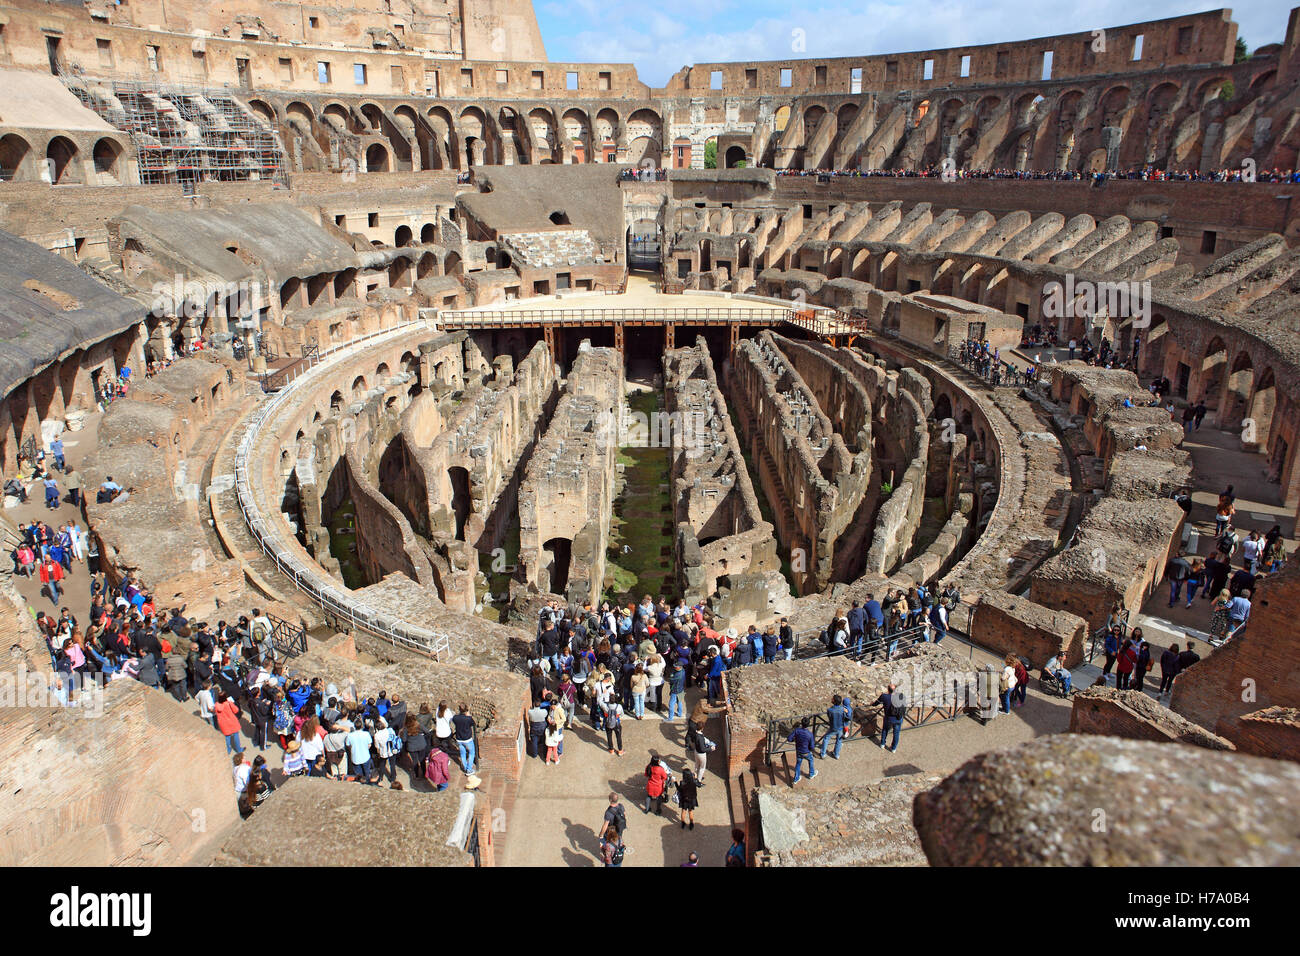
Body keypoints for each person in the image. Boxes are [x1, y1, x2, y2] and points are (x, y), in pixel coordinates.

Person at [818, 694, 851, 759]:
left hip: (833, 727)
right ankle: (836, 755)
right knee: (839, 740)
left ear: (835, 701)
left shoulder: (830, 710)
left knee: (826, 738)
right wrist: (846, 712)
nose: (831, 699)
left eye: (832, 699)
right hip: (840, 728)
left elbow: (829, 717)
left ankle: (823, 754)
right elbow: (848, 717)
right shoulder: (842, 709)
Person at [877, 682, 907, 752]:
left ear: (888, 689)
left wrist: (872, 704)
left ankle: (882, 744)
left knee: (885, 730)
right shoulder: (901, 696)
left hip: (889, 718)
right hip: (899, 718)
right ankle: (893, 748)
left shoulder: (884, 696)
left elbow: (876, 703)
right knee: (896, 733)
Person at [786, 717, 817, 784]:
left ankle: (796, 778)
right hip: (806, 751)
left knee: (798, 764)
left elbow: (789, 738)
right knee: (811, 760)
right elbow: (812, 746)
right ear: (808, 724)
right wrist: (812, 751)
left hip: (799, 751)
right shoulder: (810, 734)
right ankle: (811, 774)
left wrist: (793, 740)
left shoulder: (797, 730)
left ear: (801, 723)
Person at [213, 689, 244, 754]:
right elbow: (236, 710)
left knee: (227, 736)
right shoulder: (228, 703)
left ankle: (228, 749)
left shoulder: (216, 705)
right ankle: (238, 749)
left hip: (223, 723)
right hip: (232, 721)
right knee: (236, 735)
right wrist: (232, 703)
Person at [451, 703, 476, 774]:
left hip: (459, 739)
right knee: (471, 753)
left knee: (462, 753)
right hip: (467, 739)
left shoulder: (455, 717)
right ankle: (469, 769)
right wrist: (469, 715)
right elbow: (473, 724)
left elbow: (454, 720)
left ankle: (465, 767)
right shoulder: (468, 718)